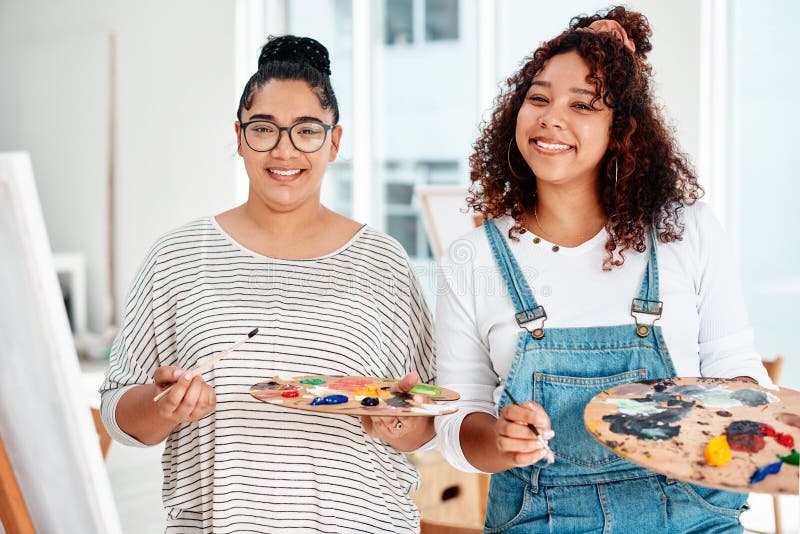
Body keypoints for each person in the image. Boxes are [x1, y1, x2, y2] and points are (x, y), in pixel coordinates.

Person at [434, 7, 770, 533]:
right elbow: (457, 423)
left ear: (622, 130)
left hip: (694, 515)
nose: (550, 117)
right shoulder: (472, 257)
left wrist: (728, 408)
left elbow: (737, 364)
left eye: (583, 104)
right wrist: (501, 440)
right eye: (538, 98)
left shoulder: (686, 230)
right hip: (540, 518)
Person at [100, 35, 435, 533]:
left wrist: (400, 422)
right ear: (238, 137)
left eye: (306, 131)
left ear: (334, 142)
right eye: (264, 130)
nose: (284, 150)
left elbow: (427, 420)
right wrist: (162, 406)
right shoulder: (176, 257)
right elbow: (115, 414)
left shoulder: (383, 261)